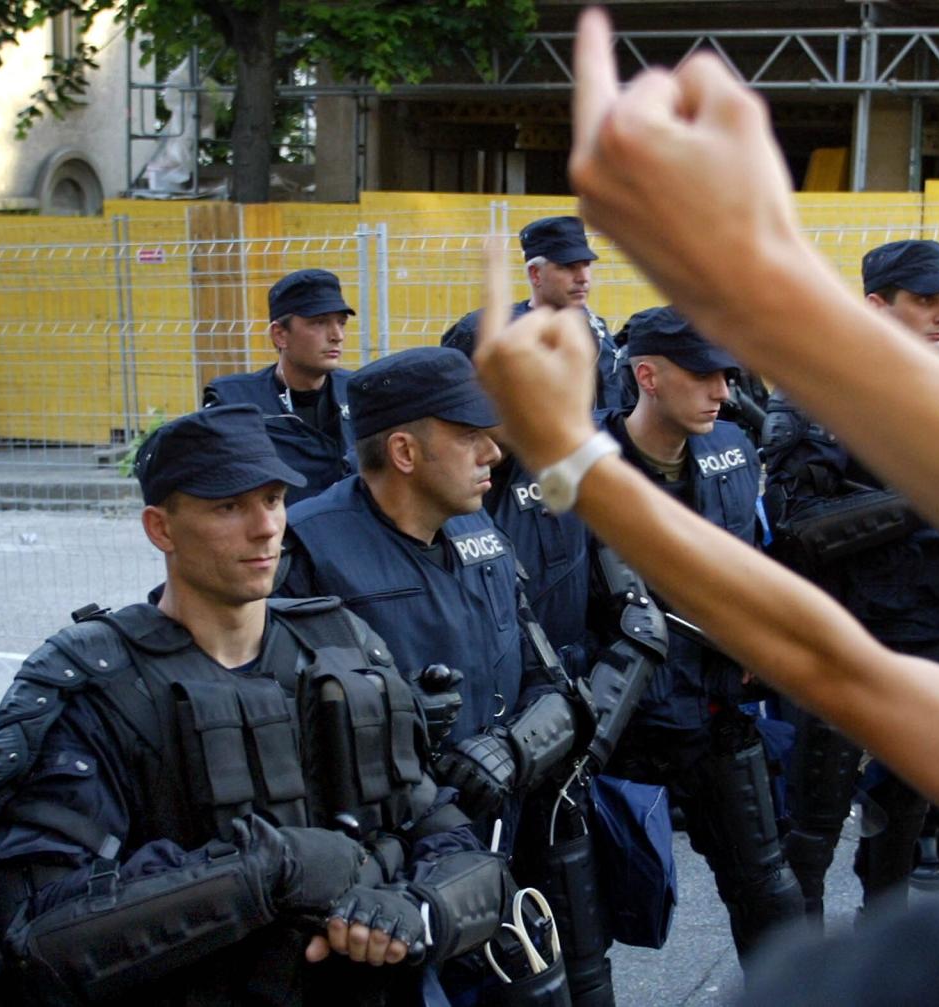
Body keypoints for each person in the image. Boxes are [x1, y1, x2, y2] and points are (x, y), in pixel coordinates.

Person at [473, 9, 939, 996]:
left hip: (904, 655)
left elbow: (837, 664)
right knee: (829, 844)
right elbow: (824, 633)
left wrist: (579, 447)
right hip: (757, 689)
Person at [0, 403, 516, 1006]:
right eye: (228, 506)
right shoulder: (94, 687)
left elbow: (455, 843)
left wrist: (413, 912)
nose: (266, 528)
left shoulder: (342, 644)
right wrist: (263, 872)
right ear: (160, 528)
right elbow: (38, 938)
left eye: (273, 499)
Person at [278, 347, 635, 1005]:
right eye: (471, 435)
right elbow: (271, 743)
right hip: (394, 895)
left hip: (507, 849)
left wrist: (512, 746)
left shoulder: (481, 532)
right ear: (406, 452)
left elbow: (552, 682)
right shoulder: (304, 551)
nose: (494, 451)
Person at [761, 238, 939, 921]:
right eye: (923, 300)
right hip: (845, 639)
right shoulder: (816, 392)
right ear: (874, 306)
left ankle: (887, 963)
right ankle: (799, 977)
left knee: (908, 816)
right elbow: (799, 524)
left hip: (933, 631)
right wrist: (924, 503)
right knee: (813, 827)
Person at [584, 304, 803, 969]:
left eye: (728, 375)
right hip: (619, 727)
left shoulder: (729, 449)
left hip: (714, 712)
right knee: (582, 921)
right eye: (705, 374)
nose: (722, 390)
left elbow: (751, 565)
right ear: (647, 375)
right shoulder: (582, 467)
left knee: (772, 895)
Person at [204, 268, 358, 501]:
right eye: (319, 323)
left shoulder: (358, 392)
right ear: (280, 335)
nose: (337, 335)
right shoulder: (235, 402)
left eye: (341, 323)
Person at [443, 216, 625, 411]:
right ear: (535, 274)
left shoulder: (596, 329)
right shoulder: (486, 328)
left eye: (586, 265)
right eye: (568, 267)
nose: (582, 278)